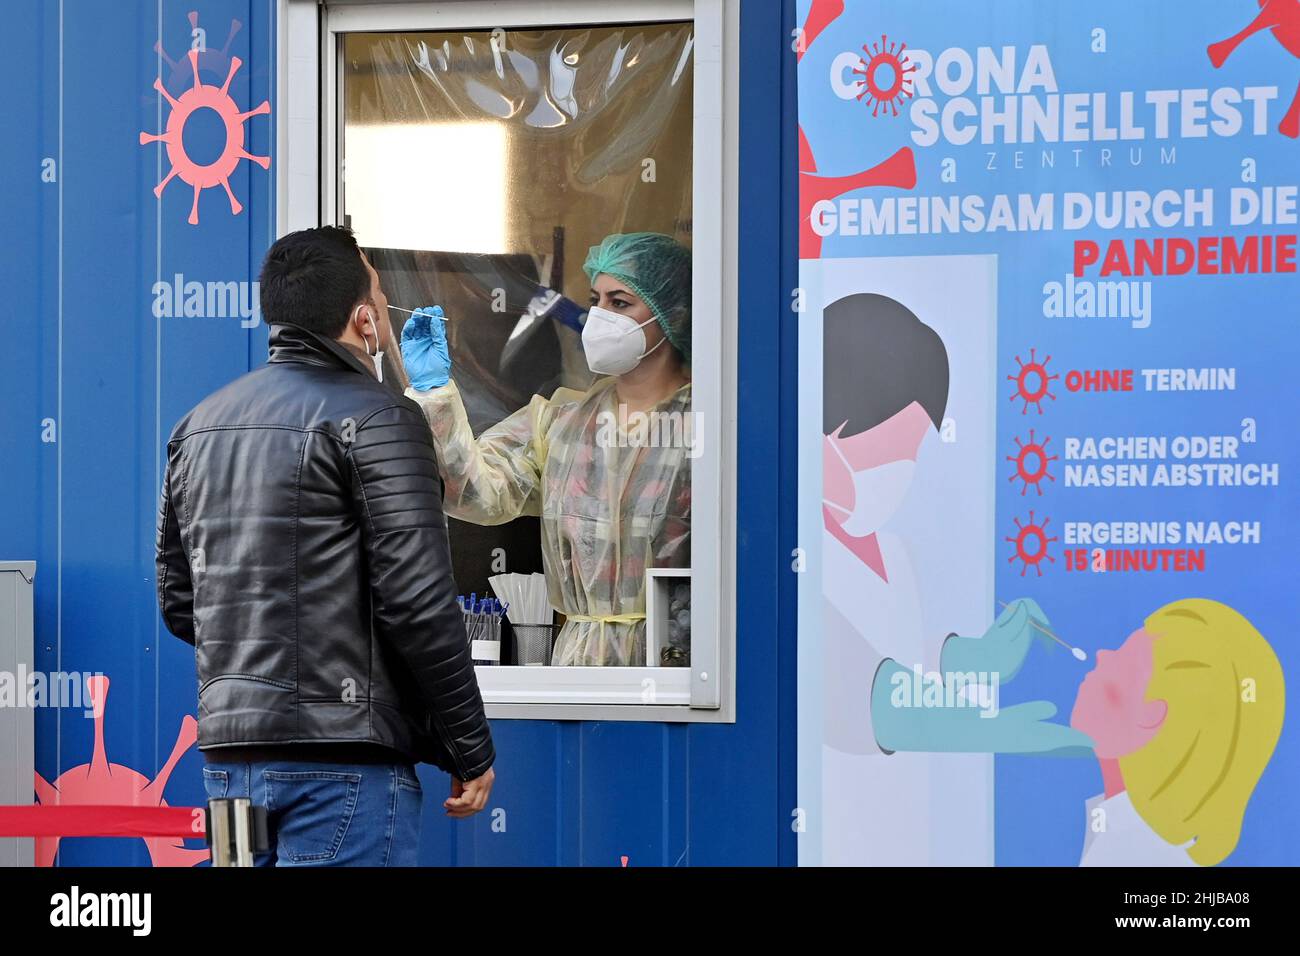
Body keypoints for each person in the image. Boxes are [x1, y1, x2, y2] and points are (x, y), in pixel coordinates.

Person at [155, 226, 496, 866]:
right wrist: (469, 744)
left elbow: (181, 604)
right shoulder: (382, 417)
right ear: (364, 319)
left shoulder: (195, 428)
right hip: (343, 771)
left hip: (229, 774)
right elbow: (417, 601)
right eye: (381, 300)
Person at [399, 232, 692, 666]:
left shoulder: (707, 423)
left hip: (680, 666)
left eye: (620, 302)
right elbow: (473, 491)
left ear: (673, 313)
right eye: (595, 299)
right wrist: (436, 394)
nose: (599, 317)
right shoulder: (561, 422)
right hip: (578, 665)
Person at [1070, 598, 1284, 866]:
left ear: (1151, 715)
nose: (1102, 654)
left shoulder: (1128, 851)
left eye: (1125, 657)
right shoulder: (1126, 833)